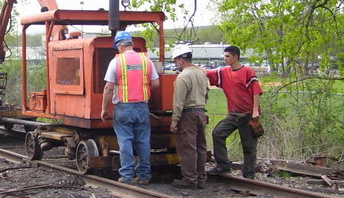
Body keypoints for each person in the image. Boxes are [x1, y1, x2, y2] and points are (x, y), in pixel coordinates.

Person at [101, 30, 160, 184]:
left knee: (125, 141)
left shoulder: (116, 62)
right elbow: (156, 83)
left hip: (123, 108)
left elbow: (108, 87)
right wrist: (142, 90)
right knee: (143, 141)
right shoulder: (146, 60)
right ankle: (144, 176)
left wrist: (104, 109)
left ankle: (127, 176)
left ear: (120, 46)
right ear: (131, 44)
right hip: (142, 107)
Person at [206, 45, 263, 179]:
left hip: (248, 114)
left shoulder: (247, 71)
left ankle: (248, 175)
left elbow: (256, 90)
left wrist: (255, 110)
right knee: (218, 133)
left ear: (235, 57)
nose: (225, 59)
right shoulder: (224, 72)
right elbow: (207, 72)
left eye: (227, 56)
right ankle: (223, 166)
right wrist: (190, 66)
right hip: (234, 114)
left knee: (248, 145)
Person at [169, 44, 209, 189]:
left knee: (188, 147)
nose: (175, 63)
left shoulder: (183, 77)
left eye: (175, 60)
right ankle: (201, 178)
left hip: (188, 115)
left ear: (181, 60)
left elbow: (178, 102)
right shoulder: (201, 74)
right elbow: (206, 94)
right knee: (200, 147)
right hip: (201, 112)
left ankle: (190, 179)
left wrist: (174, 121)